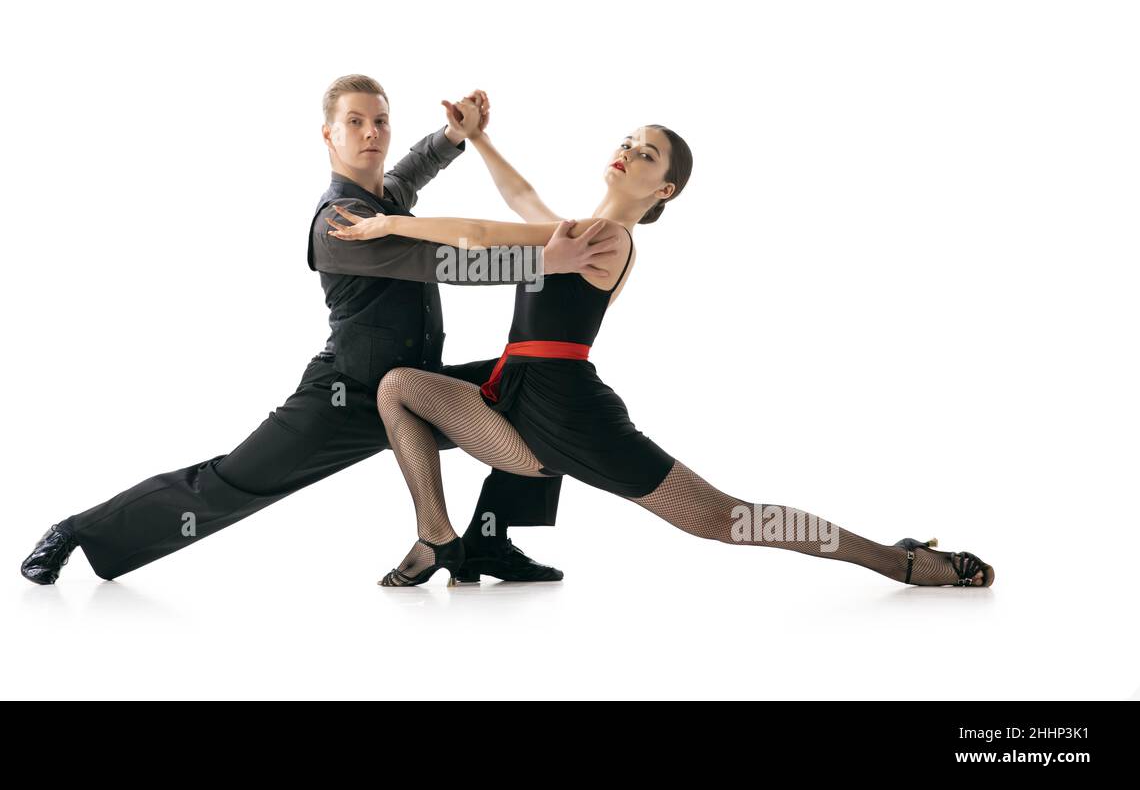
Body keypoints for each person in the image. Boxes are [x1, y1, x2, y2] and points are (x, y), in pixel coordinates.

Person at [326, 99, 996, 588]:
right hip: (519, 408)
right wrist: (482, 140)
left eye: (647, 154)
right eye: (628, 140)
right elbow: (522, 196)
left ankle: (899, 560)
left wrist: (393, 221)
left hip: (571, 414)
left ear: (663, 188)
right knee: (398, 387)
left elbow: (482, 232)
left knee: (723, 518)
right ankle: (439, 536)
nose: (628, 150)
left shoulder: (604, 240)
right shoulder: (575, 228)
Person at [20, 75, 620, 584]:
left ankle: (488, 542)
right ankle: (78, 532)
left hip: (416, 387)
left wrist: (452, 138)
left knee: (540, 390)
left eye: (380, 121)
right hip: (347, 396)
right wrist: (545, 260)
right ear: (328, 134)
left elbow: (407, 176)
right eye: (355, 122)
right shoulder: (342, 223)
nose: (371, 133)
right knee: (229, 484)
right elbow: (445, 260)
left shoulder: (382, 201)